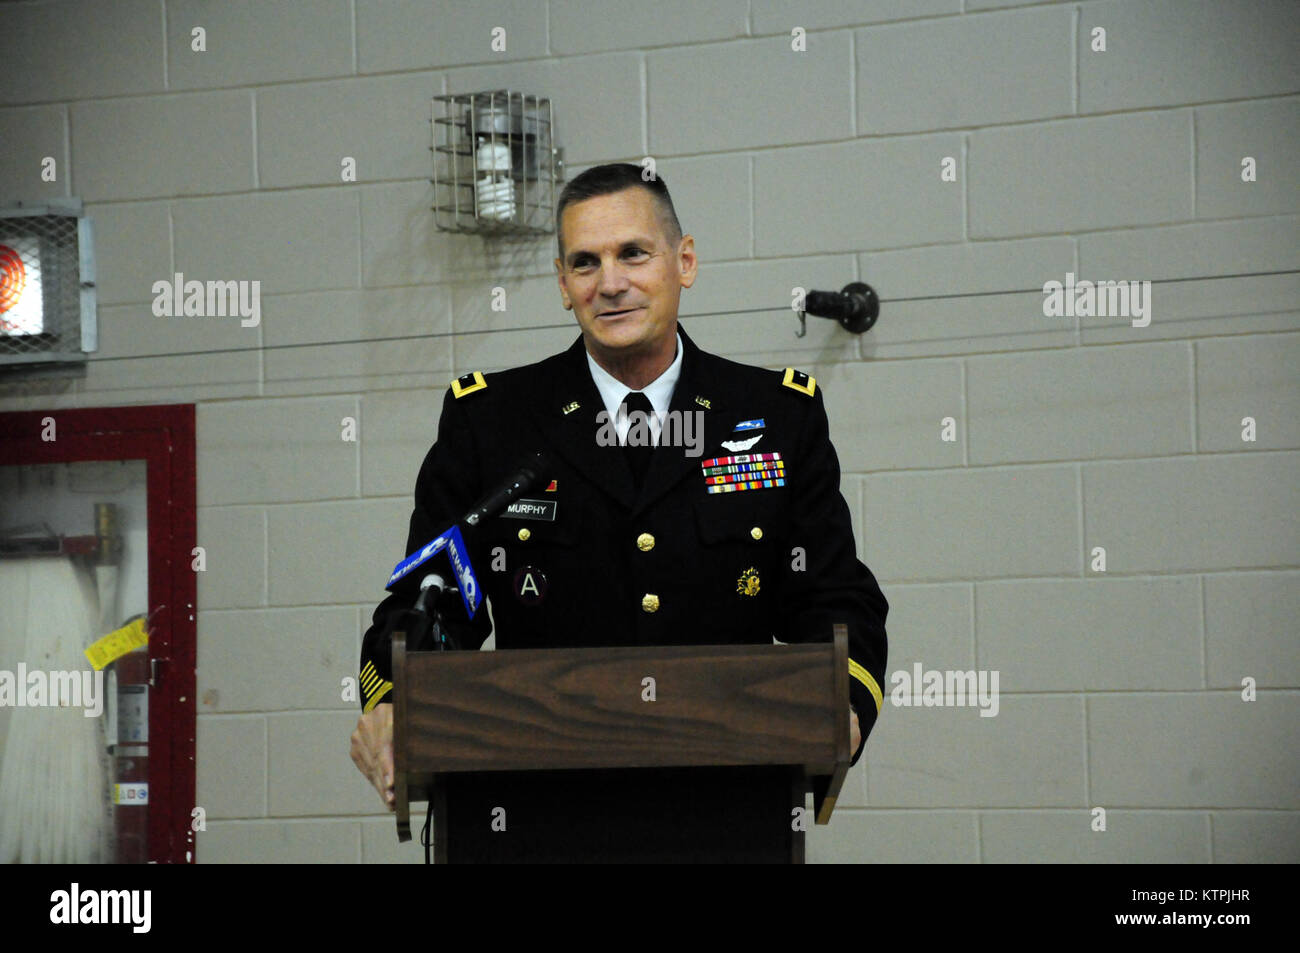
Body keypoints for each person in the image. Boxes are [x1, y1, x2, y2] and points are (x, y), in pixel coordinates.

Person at [350, 163, 888, 822]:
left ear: (683, 261)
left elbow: (834, 596)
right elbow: (425, 597)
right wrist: (393, 702)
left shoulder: (777, 415)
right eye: (585, 263)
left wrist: (843, 705)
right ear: (562, 283)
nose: (610, 283)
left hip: (725, 814)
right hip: (530, 817)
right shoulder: (492, 422)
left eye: (633, 253)